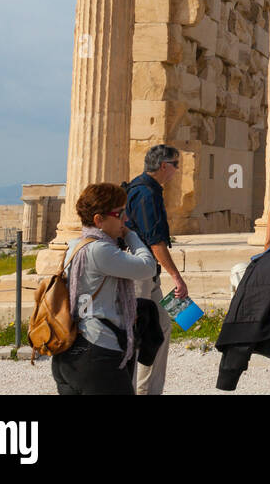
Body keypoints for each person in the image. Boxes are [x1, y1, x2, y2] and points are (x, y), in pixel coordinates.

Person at [51, 182, 157, 396]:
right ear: (99, 219)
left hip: (69, 353)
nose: (125, 219)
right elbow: (147, 267)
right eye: (119, 213)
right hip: (97, 352)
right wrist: (131, 235)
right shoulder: (100, 250)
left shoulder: (76, 245)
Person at [125, 143, 188, 395]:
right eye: (176, 165)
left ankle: (149, 391)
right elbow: (155, 242)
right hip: (139, 274)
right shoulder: (147, 193)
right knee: (137, 333)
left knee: (162, 326)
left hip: (149, 275)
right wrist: (177, 277)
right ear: (164, 166)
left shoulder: (147, 189)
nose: (177, 170)